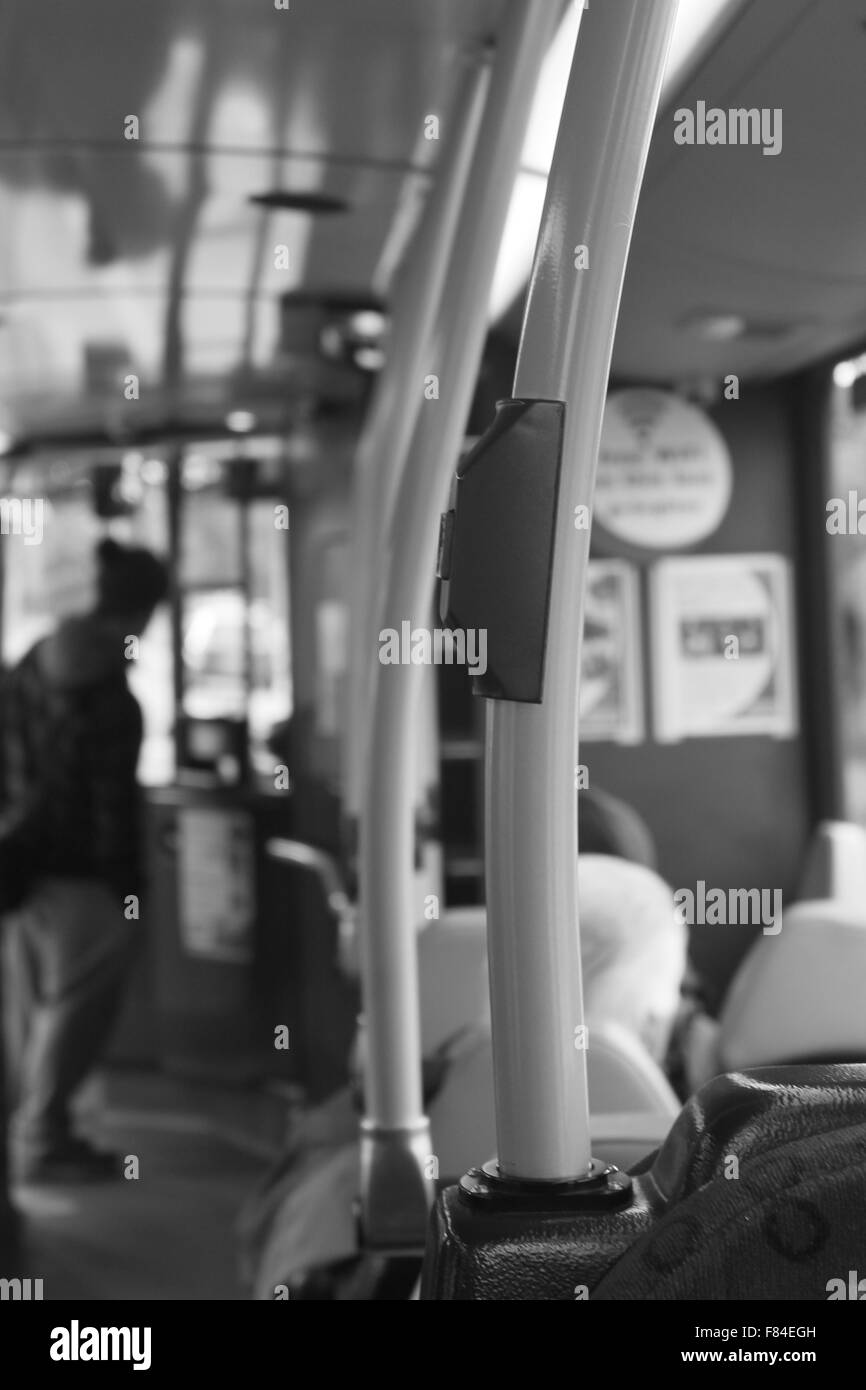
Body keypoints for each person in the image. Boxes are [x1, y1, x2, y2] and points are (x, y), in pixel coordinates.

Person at [3, 537, 168, 1183]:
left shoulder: (29, 664)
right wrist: (131, 891)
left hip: (19, 873)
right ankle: (44, 1136)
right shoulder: (112, 697)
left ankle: (34, 1132)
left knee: (32, 1014)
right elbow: (111, 812)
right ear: (143, 610)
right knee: (75, 1016)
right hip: (86, 887)